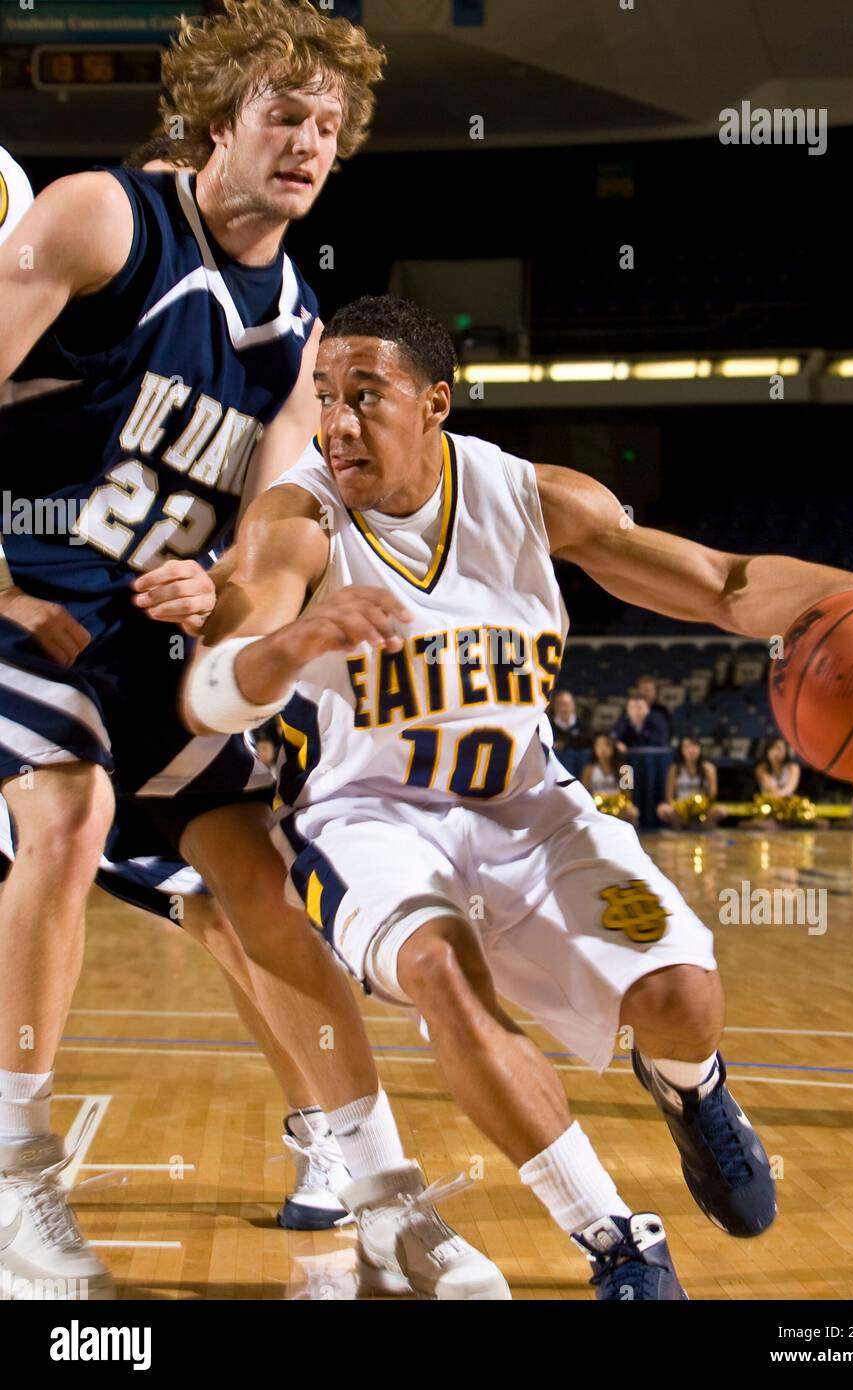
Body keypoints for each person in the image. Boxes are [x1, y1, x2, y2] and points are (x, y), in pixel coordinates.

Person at [182, 294, 853, 1297]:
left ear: (435, 405)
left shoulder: (530, 496)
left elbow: (720, 586)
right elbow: (211, 690)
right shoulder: (299, 518)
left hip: (527, 807)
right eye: (325, 395)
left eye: (363, 396)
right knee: (436, 968)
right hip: (366, 817)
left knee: (681, 998)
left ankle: (691, 1085)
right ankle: (618, 1242)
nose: (334, 421)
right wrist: (287, 644)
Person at [0, 2, 503, 1302]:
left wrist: (217, 594)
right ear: (217, 118)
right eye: (284, 113)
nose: (307, 142)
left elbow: (247, 559)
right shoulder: (98, 221)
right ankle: (14, 1181)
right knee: (65, 802)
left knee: (262, 896)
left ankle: (384, 1196)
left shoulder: (297, 331)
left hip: (128, 635)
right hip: (18, 598)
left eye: (328, 127)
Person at [657, 736, 726, 829]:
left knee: (721, 810)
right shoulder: (675, 768)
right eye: (687, 747)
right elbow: (669, 797)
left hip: (702, 808)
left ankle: (698, 825)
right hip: (681, 808)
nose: (691, 750)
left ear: (700, 748)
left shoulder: (709, 768)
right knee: (662, 809)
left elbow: (713, 795)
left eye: (694, 746)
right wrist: (681, 807)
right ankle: (684, 825)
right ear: (681, 750)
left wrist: (700, 804)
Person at [581, 733, 638, 824]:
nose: (603, 748)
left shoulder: (626, 769)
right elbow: (585, 795)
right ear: (594, 749)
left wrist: (616, 805)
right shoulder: (588, 770)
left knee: (633, 812)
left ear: (613, 748)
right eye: (599, 745)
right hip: (597, 808)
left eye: (606, 744)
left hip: (619, 808)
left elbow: (628, 797)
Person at [547, 688, 590, 754]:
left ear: (573, 705)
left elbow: (587, 742)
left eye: (566, 704)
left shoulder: (583, 725)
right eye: (559, 704)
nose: (563, 708)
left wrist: (564, 744)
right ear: (554, 706)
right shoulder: (548, 725)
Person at [635, 675, 671, 743]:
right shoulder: (630, 710)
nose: (646, 694)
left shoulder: (663, 711)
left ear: (655, 692)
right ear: (638, 691)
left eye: (649, 690)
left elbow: (668, 734)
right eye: (643, 690)